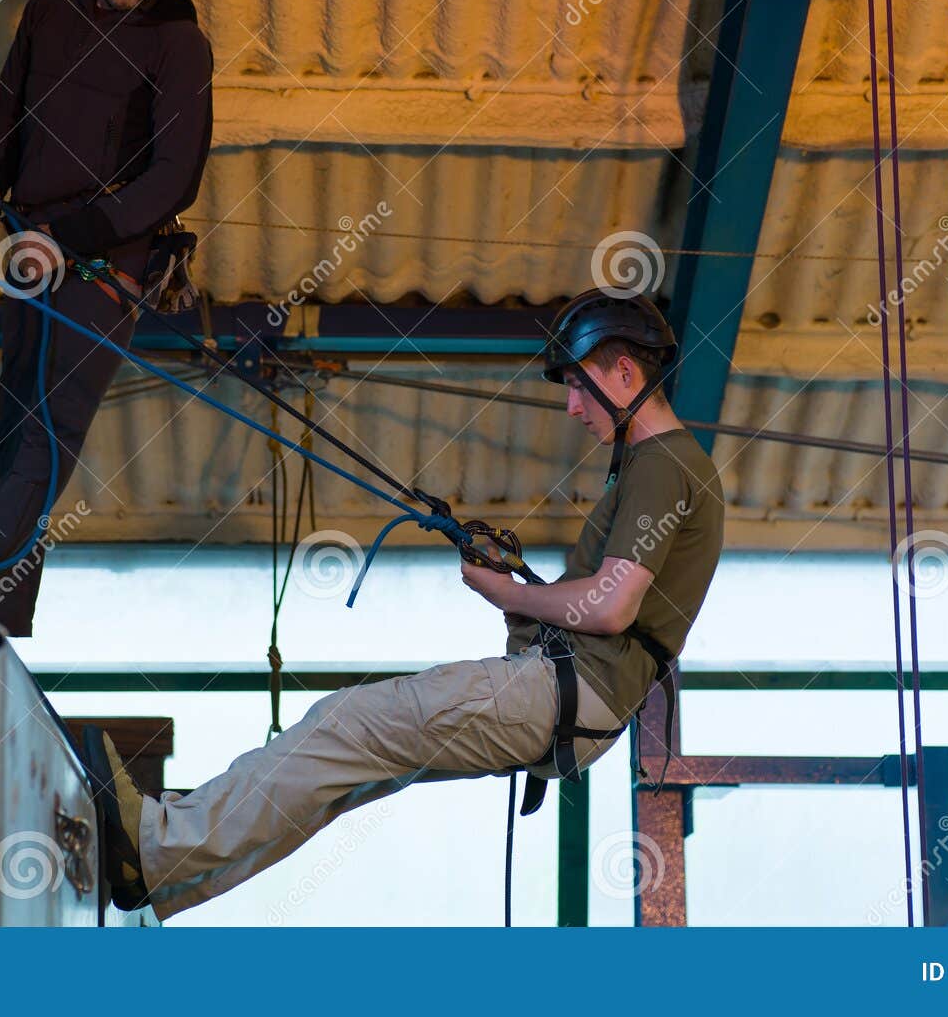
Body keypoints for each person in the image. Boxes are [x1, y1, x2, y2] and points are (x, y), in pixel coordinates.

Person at [80, 291, 726, 921]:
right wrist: (521, 601)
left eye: (581, 385)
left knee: (347, 724)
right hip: (577, 696)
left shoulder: (664, 462)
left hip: (571, 690)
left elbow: (611, 606)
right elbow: (606, 606)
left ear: (625, 370)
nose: (571, 405)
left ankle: (158, 844)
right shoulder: (663, 464)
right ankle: (163, 873)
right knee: (348, 767)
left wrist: (508, 591)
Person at [0, 0, 212, 635]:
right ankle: (4, 609)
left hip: (109, 257)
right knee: (13, 414)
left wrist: (73, 234)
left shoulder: (178, 44)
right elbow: (10, 108)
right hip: (34, 238)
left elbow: (174, 178)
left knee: (52, 422)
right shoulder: (48, 14)